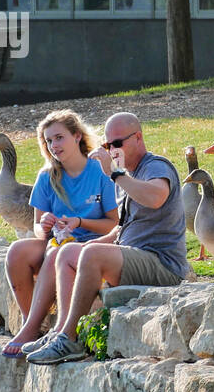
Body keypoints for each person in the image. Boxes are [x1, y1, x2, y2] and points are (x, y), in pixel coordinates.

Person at [26, 111, 190, 365]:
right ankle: (59, 332)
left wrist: (115, 174)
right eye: (107, 145)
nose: (112, 150)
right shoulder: (125, 175)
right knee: (68, 252)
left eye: (117, 143)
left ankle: (71, 339)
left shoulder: (154, 166)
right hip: (133, 254)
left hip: (163, 264)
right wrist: (90, 244)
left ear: (138, 138)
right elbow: (121, 230)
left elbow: (156, 197)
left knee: (90, 255)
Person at [2, 110, 118, 357]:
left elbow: (114, 224)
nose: (54, 146)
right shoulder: (47, 176)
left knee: (58, 252)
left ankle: (40, 330)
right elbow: (36, 227)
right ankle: (30, 322)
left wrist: (79, 222)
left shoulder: (100, 172)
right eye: (48, 141)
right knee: (17, 252)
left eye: (59, 138)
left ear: (77, 136)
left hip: (94, 246)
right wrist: (43, 225)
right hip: (56, 242)